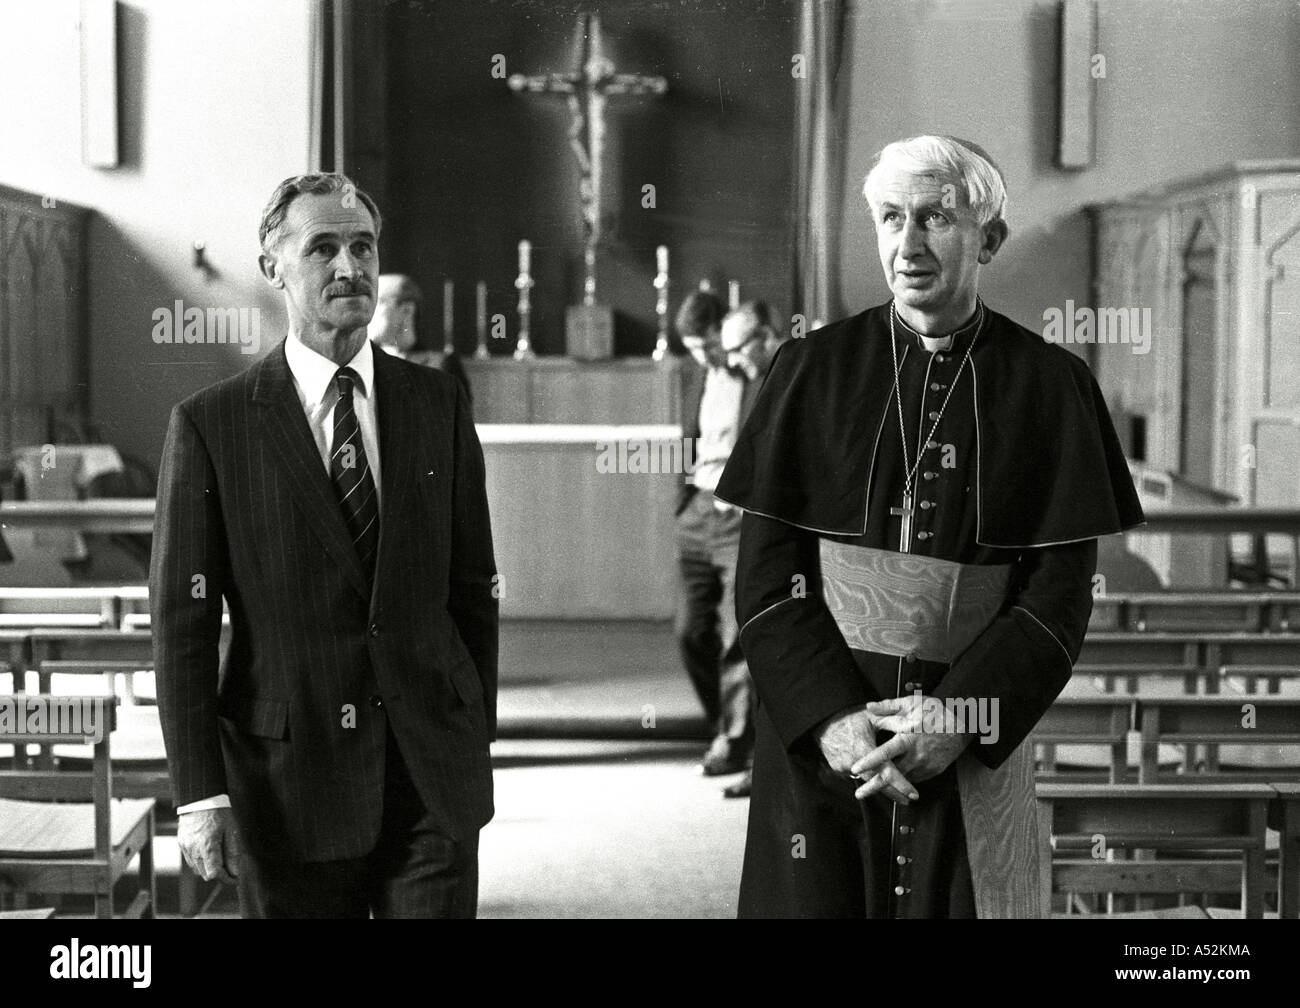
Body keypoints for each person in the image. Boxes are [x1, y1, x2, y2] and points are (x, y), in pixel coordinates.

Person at [715, 135, 1143, 917]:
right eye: (889, 218)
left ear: (990, 238)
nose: (907, 244)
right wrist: (831, 721)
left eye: (936, 219)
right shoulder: (808, 370)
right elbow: (767, 581)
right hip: (825, 740)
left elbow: (1057, 599)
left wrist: (959, 719)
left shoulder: (1052, 387)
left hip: (968, 735)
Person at [150, 172, 498, 918]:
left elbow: (473, 587)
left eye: (364, 247)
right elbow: (184, 628)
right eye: (325, 249)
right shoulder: (214, 426)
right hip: (288, 783)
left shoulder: (437, 402)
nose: (350, 268)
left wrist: (474, 733)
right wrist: (199, 793)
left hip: (429, 776)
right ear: (274, 266)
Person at [675, 292, 782, 796]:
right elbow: (688, 438)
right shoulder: (700, 373)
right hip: (698, 510)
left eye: (706, 345)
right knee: (689, 630)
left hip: (740, 514)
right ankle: (729, 727)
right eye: (692, 348)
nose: (703, 357)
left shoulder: (762, 369)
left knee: (737, 634)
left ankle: (736, 742)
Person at [369, 273, 472, 403]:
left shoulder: (441, 365)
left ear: (407, 310)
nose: (367, 311)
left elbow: (458, 419)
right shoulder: (363, 363)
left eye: (377, 302)